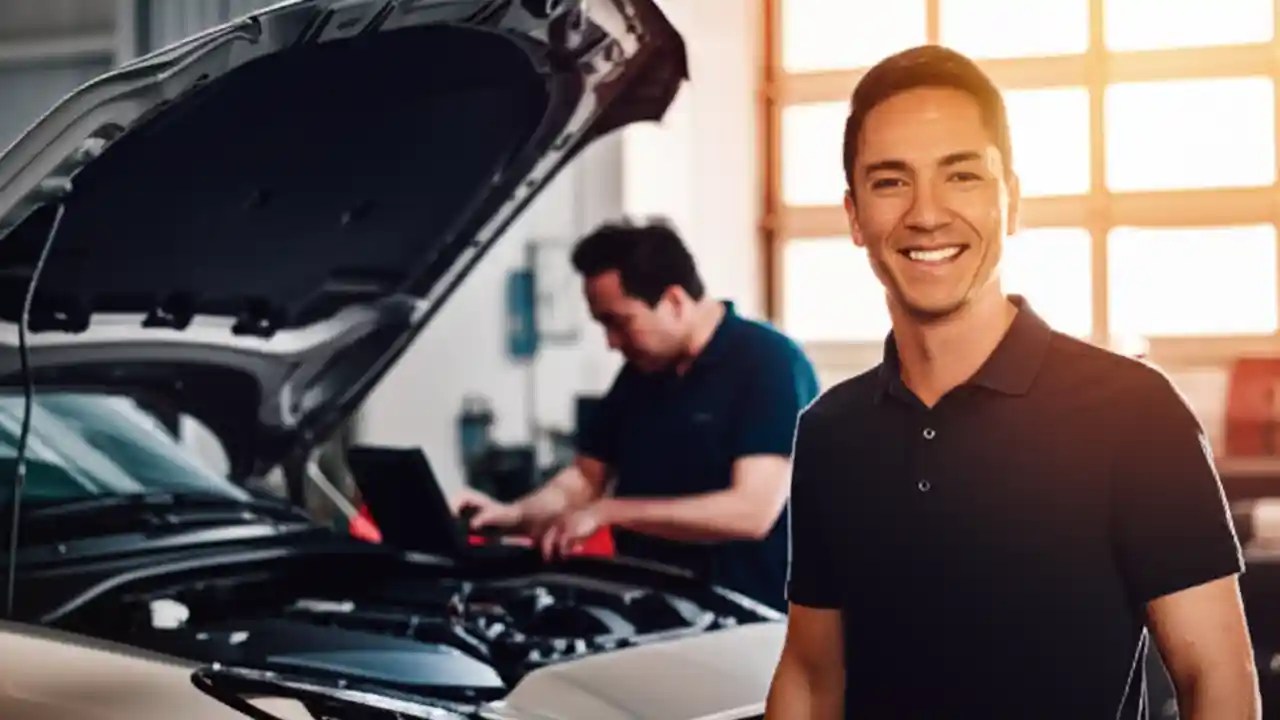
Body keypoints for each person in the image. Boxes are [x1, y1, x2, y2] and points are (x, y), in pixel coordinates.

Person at [765, 45, 1259, 719]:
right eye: (891, 182)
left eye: (961, 176)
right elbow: (811, 676)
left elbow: (1217, 680)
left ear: (1012, 201)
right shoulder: (829, 432)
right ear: (854, 216)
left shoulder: (1133, 412)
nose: (927, 213)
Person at [456, 221, 819, 611]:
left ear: (674, 301)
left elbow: (751, 511)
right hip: (657, 611)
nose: (611, 343)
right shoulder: (639, 376)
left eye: (619, 322)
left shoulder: (770, 363)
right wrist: (511, 514)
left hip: (757, 624)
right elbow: (582, 480)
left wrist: (610, 512)